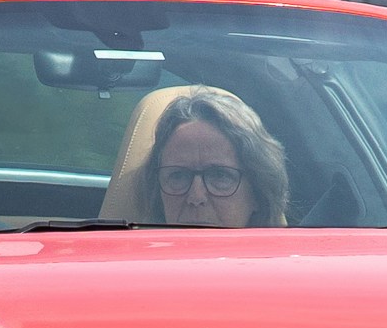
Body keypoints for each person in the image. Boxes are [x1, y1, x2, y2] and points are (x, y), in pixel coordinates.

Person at [98, 86, 291, 227]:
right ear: (157, 194)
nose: (196, 197)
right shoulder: (125, 272)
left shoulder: (292, 271)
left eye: (220, 176)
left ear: (258, 193)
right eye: (178, 176)